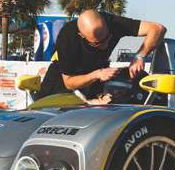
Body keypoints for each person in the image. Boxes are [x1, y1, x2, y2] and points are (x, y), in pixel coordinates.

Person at [37, 10, 166, 102]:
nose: (105, 44)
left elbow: (157, 29)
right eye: (98, 43)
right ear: (82, 36)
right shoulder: (67, 37)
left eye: (107, 38)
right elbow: (69, 82)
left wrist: (140, 56)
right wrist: (97, 74)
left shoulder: (114, 23)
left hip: (96, 78)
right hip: (61, 83)